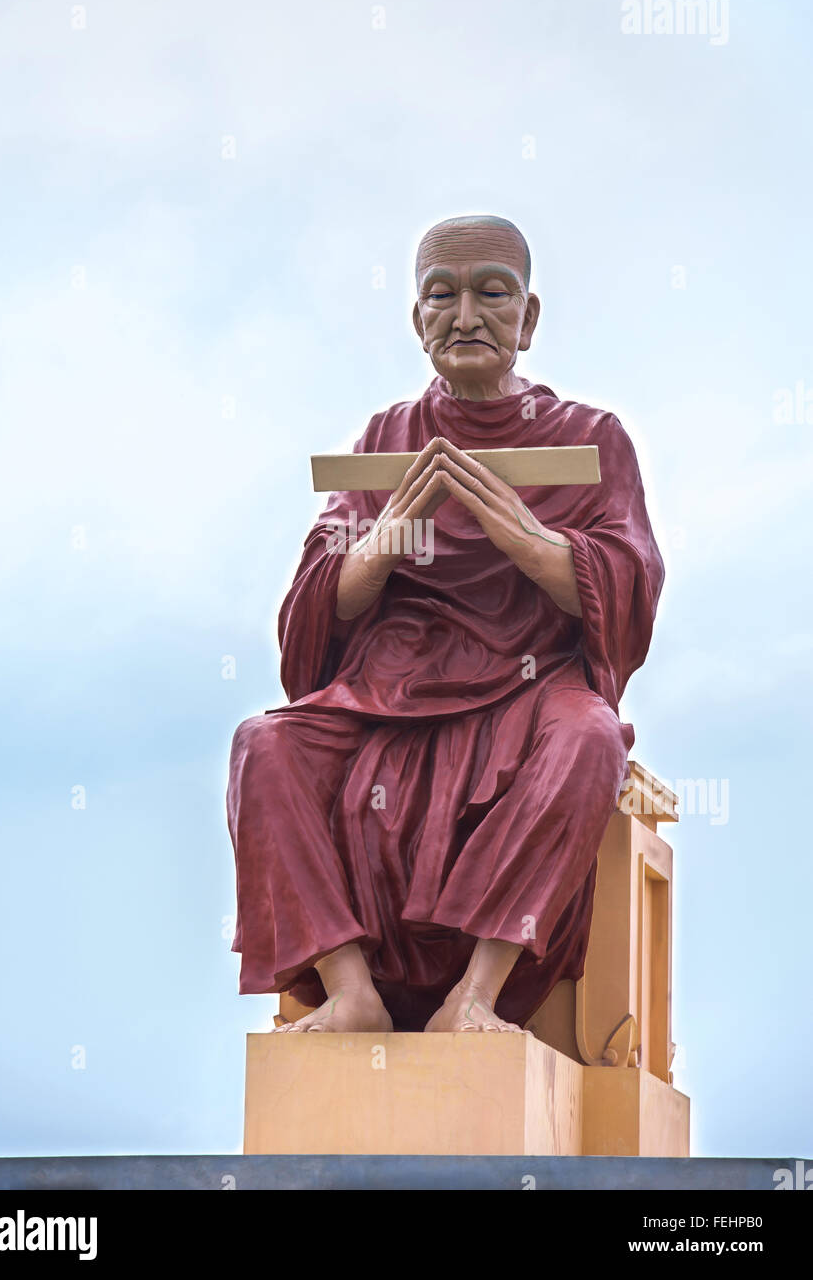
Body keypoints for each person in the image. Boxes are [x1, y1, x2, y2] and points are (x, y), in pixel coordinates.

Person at [226, 215, 664, 1034]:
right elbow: (318, 600)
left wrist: (529, 543)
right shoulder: (386, 439)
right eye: (442, 294)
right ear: (417, 318)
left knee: (591, 739)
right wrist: (387, 540)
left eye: (491, 293)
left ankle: (476, 994)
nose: (466, 314)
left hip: (528, 688)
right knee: (265, 742)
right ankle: (351, 989)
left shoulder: (590, 438)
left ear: (527, 319)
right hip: (391, 687)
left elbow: (627, 580)